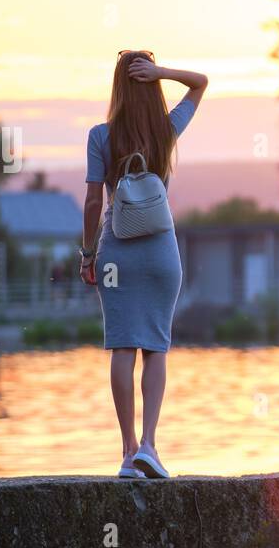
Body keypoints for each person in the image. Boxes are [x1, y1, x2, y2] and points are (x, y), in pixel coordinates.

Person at [80, 50, 208, 478]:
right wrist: (163, 73)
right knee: (156, 346)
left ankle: (127, 451)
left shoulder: (101, 136)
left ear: (117, 88)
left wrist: (87, 253)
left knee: (122, 346)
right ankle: (150, 446)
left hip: (117, 250)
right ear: (151, 86)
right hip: (160, 253)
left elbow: (94, 200)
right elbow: (201, 81)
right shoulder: (166, 130)